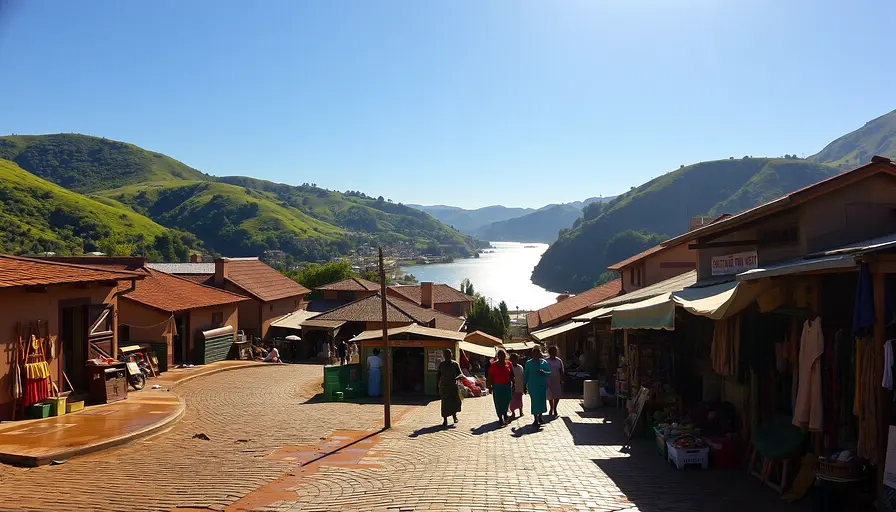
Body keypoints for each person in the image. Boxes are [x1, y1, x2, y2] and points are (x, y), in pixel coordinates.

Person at [523, 346, 551, 426]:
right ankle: (535, 418)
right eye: (535, 353)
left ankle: (540, 417)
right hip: (532, 386)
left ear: (540, 353)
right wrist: (524, 385)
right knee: (534, 402)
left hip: (542, 385)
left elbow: (549, 373)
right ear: (533, 354)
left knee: (541, 401)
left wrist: (544, 372)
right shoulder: (529, 363)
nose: (536, 354)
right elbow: (526, 375)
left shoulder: (544, 362)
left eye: (538, 353)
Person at [436, 348, 462, 427]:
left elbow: (460, 373)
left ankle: (454, 416)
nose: (447, 356)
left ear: (451, 355)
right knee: (445, 403)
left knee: (454, 402)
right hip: (444, 386)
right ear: (444, 356)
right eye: (446, 355)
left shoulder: (455, 364)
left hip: (453, 386)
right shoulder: (442, 364)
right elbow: (438, 375)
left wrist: (456, 378)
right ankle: (445, 420)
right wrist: (437, 386)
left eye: (449, 355)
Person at [487, 349, 513, 425]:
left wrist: (513, 383)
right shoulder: (494, 365)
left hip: (507, 386)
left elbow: (512, 374)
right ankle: (500, 417)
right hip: (497, 386)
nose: (502, 357)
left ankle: (505, 414)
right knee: (498, 402)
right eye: (500, 355)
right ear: (498, 356)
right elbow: (490, 376)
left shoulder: (509, 363)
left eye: (503, 355)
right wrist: (489, 386)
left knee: (507, 400)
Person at [546, 345, 565, 416]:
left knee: (557, 395)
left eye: (555, 351)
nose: (553, 353)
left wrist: (562, 380)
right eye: (552, 352)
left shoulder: (559, 361)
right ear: (549, 352)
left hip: (557, 380)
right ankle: (551, 408)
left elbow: (561, 371)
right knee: (550, 395)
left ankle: (555, 408)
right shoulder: (546, 361)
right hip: (548, 380)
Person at [508, 352, 525, 419]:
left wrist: (524, 387)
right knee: (512, 401)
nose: (514, 360)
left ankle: (521, 411)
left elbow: (522, 377)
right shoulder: (509, 367)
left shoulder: (520, 367)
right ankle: (513, 413)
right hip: (512, 387)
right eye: (513, 359)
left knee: (519, 400)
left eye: (516, 359)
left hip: (519, 387)